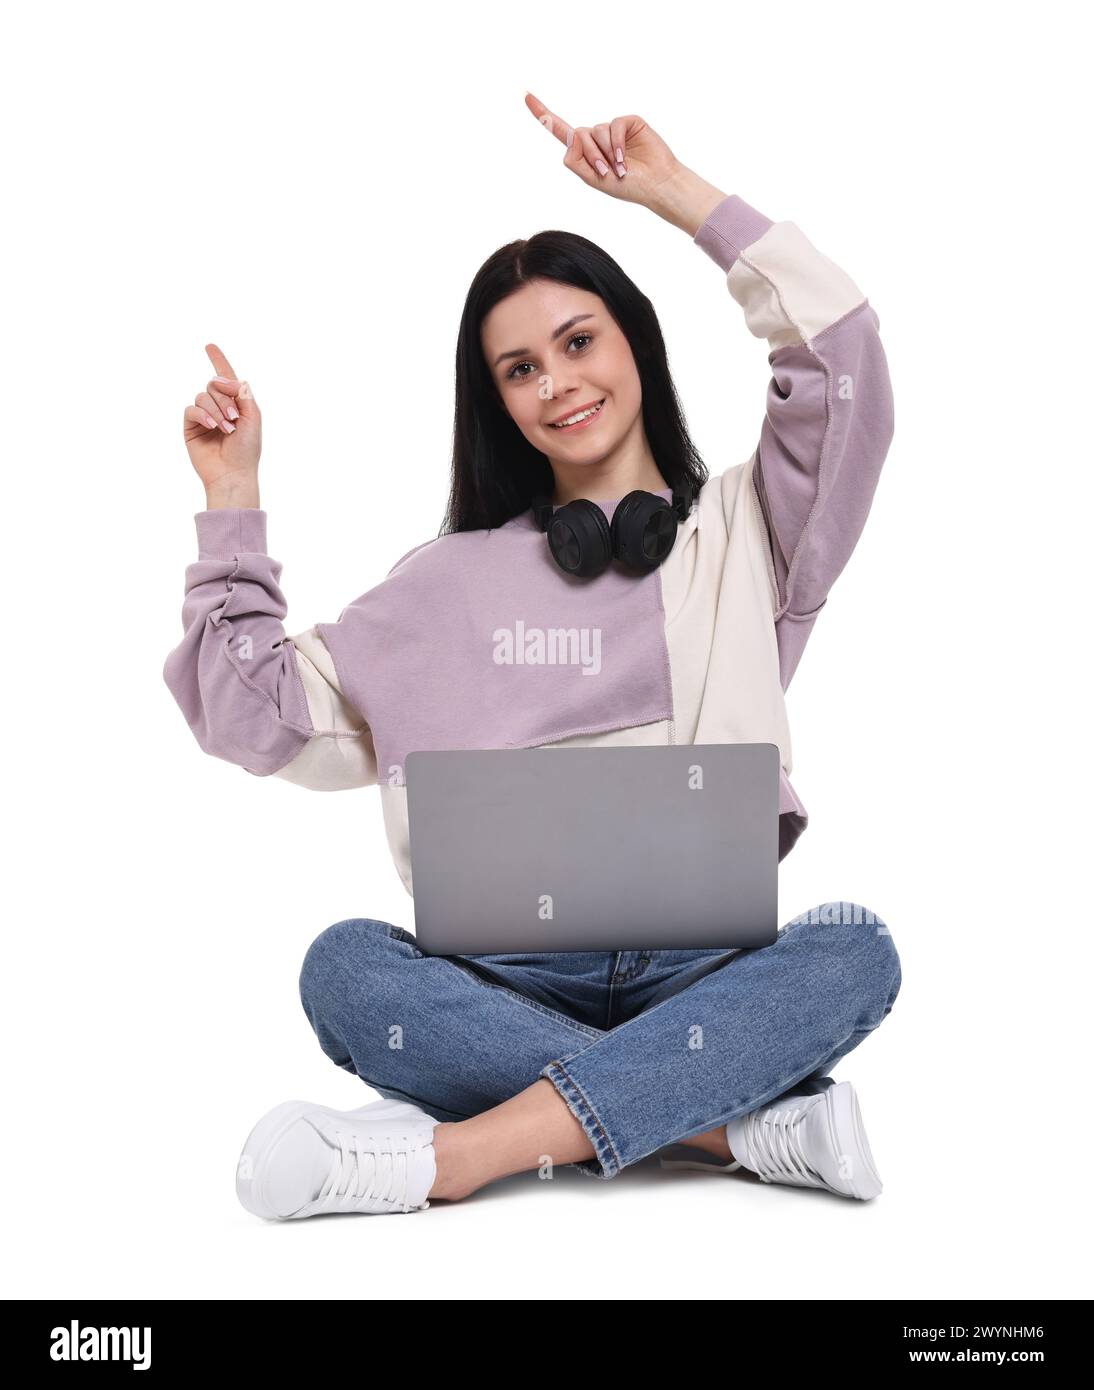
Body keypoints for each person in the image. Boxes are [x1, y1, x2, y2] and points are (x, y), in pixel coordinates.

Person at [163, 94, 901, 1220]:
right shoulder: (442, 587)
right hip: (503, 981)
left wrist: (675, 194)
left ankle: (452, 1157)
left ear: (631, 340)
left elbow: (838, 352)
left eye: (575, 341)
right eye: (517, 370)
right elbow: (250, 716)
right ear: (496, 402)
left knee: (856, 949)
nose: (553, 383)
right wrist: (231, 497)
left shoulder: (749, 535)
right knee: (345, 968)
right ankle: (728, 1123)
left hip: (699, 972)